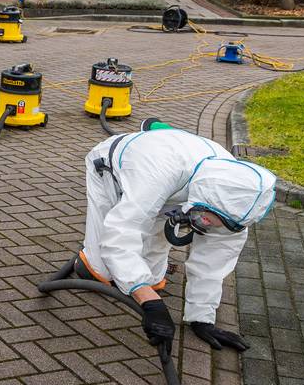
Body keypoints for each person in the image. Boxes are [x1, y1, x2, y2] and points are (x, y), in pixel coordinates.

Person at [78, 123, 276, 353]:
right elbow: (121, 235)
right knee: (105, 270)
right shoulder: (156, 173)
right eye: (210, 219)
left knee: (152, 279)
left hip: (175, 189)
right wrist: (148, 301)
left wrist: (202, 319)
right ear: (204, 200)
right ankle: (85, 261)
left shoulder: (237, 203)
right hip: (115, 169)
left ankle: (159, 128)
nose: (209, 227)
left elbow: (213, 262)